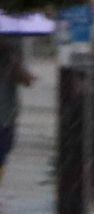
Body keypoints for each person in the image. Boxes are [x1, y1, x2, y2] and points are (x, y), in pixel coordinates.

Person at [0, 35, 33, 194]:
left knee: (3, 153)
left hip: (6, 114)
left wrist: (15, 65)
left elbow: (27, 81)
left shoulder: (14, 47)